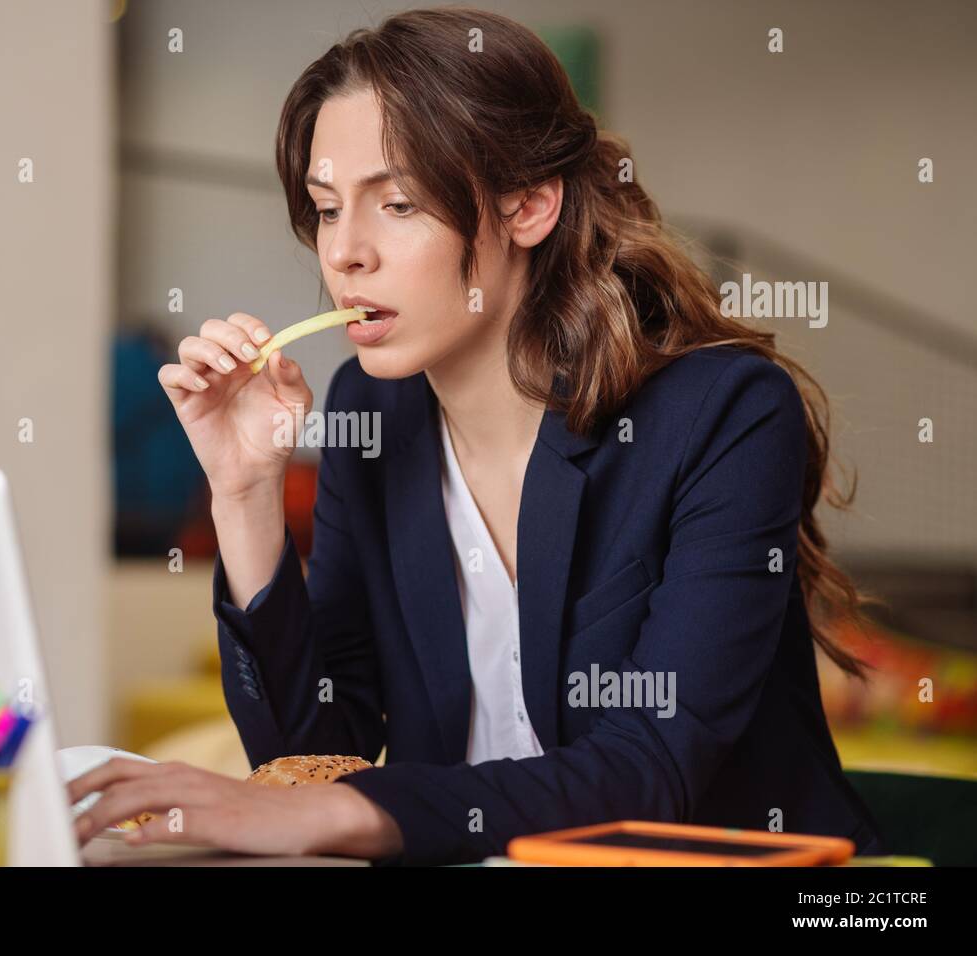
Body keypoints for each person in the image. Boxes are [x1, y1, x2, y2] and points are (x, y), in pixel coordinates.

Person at [69, 6, 882, 866]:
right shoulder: (373, 416)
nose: (345, 252)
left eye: (398, 203)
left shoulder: (723, 412)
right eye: (325, 209)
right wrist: (242, 492)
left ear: (528, 206)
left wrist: (342, 811)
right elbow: (309, 751)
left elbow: (655, 770)